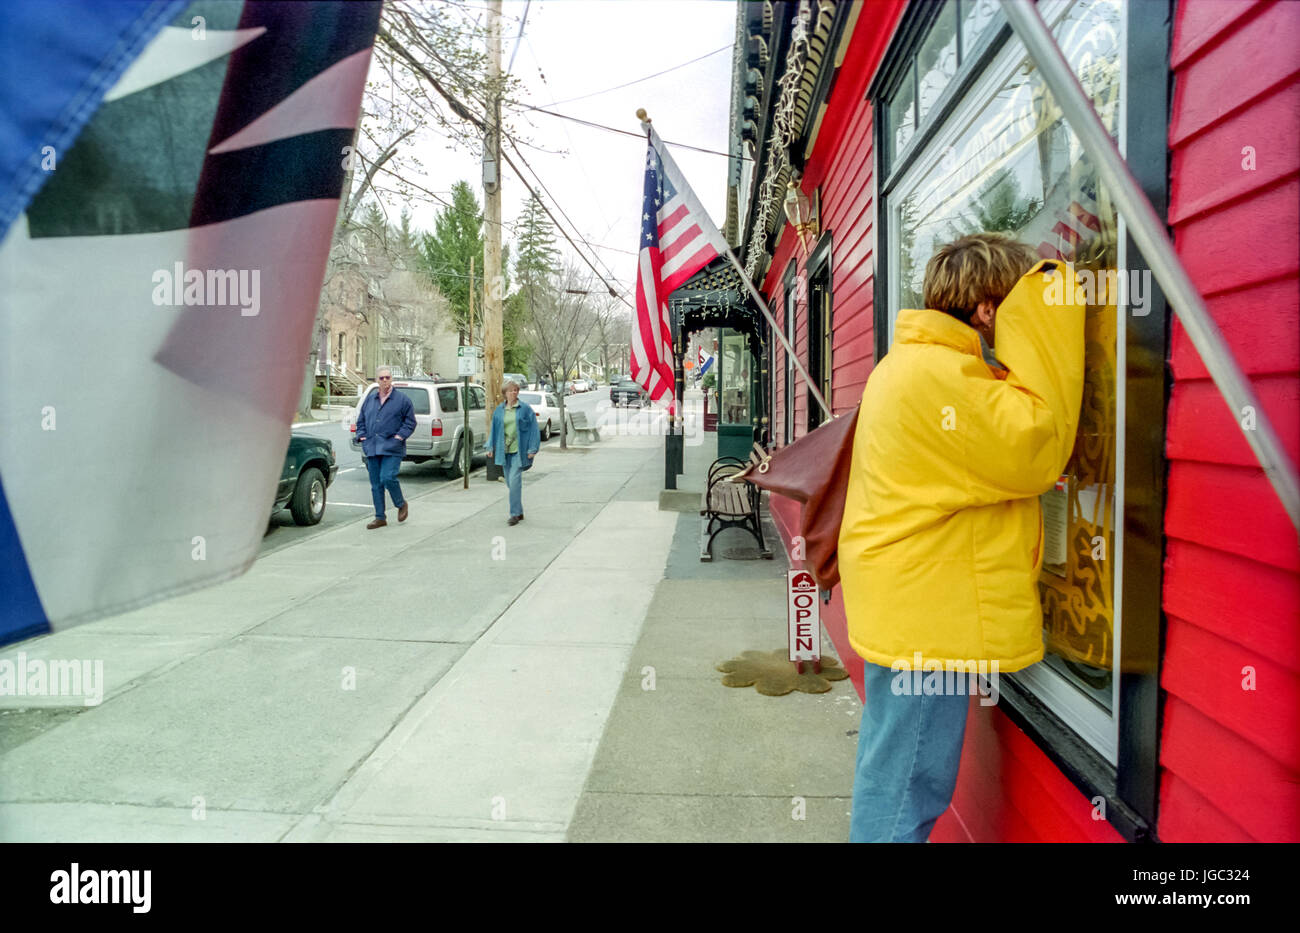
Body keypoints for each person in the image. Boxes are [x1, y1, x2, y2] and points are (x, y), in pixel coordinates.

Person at [837, 233, 1085, 842]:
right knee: (906, 795)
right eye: (1016, 306)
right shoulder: (943, 375)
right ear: (986, 310)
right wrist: (1055, 297)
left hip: (909, 608)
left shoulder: (917, 363)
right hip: (923, 621)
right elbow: (1036, 447)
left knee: (891, 777)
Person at [354, 366, 416, 529]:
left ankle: (401, 503)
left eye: (387, 377)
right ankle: (380, 517)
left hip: (392, 448)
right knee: (376, 484)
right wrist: (362, 436)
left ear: (391, 379)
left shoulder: (402, 400)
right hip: (372, 447)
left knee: (387, 477)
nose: (385, 381)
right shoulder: (370, 400)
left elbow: (410, 422)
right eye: (381, 378)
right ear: (376, 380)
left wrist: (399, 437)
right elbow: (360, 421)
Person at [489, 379, 540, 525]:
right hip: (504, 450)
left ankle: (515, 514)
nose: (514, 392)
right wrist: (490, 447)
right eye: (511, 390)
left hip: (519, 450)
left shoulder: (525, 409)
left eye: (516, 390)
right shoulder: (499, 410)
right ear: (505, 393)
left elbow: (533, 429)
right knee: (511, 483)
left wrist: (532, 448)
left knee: (515, 481)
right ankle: (520, 510)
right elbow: (494, 429)